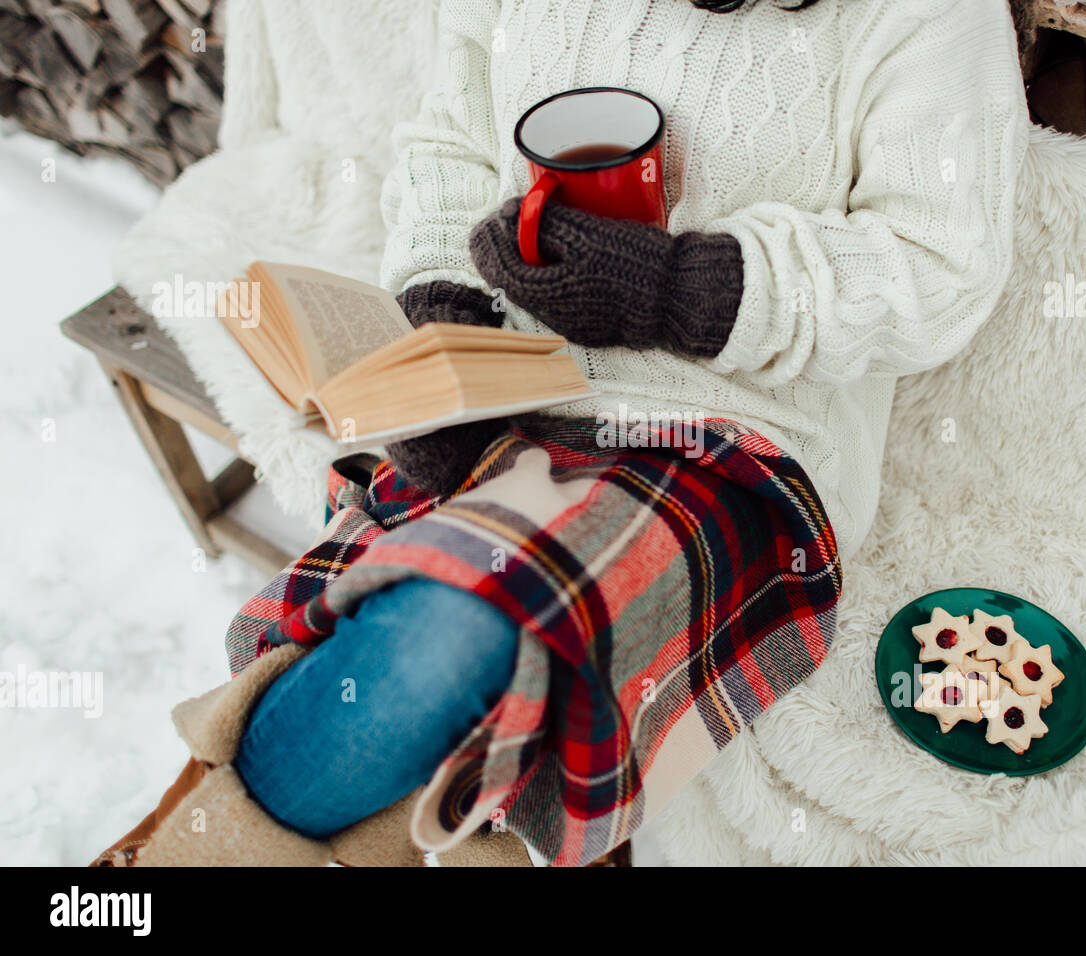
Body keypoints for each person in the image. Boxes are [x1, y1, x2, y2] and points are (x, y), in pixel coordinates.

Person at [94, 0, 1028, 867]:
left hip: (729, 439)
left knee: (445, 635)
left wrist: (684, 288)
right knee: (382, 640)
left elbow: (938, 264)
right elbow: (449, 146)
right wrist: (440, 313)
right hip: (500, 387)